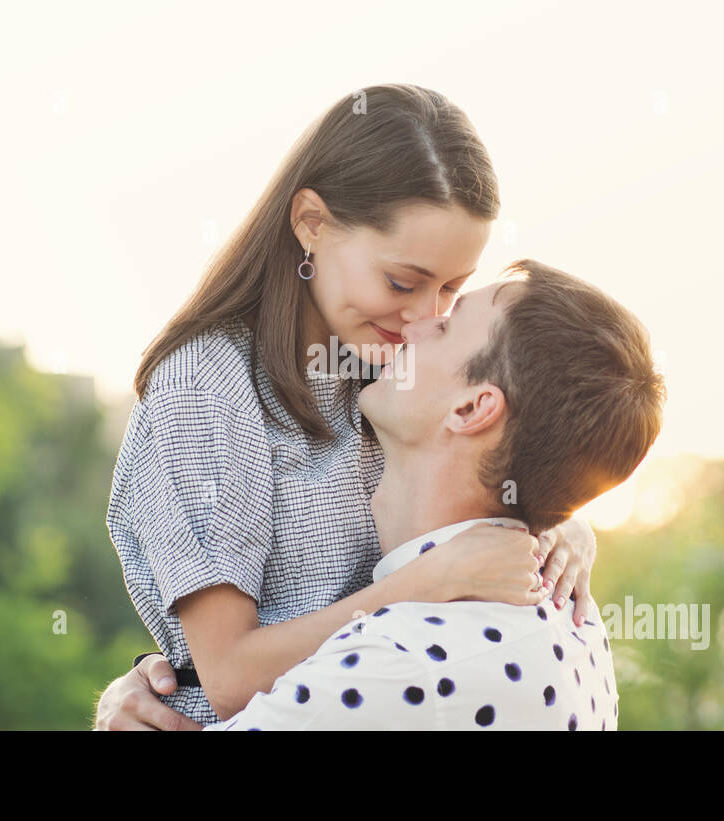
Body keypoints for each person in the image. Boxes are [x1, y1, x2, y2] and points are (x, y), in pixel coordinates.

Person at [96, 85, 597, 730]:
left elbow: (481, 470)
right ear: (311, 223)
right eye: (402, 282)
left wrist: (556, 524)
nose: (425, 318)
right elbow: (227, 677)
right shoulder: (208, 389)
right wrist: (420, 586)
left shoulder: (383, 370)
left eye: (451, 289)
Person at [202, 261, 664, 730]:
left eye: (445, 327)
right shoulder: (577, 624)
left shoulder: (399, 662)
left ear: (470, 408)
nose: (415, 326)